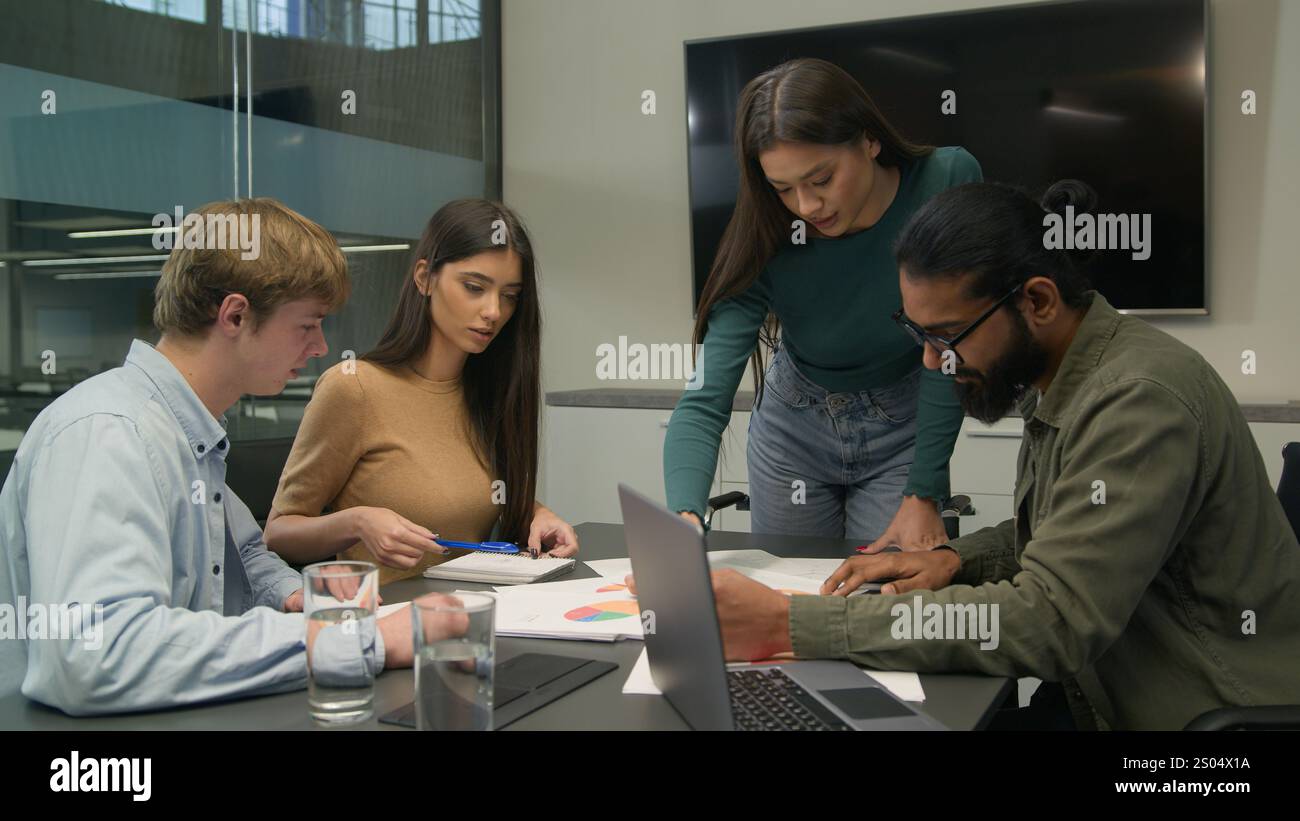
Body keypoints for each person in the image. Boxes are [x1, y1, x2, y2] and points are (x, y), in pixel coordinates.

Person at [645, 181, 1300, 730]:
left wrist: (793, 622)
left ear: (1037, 300)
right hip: (1098, 698)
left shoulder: (1138, 401)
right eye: (917, 334)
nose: (933, 361)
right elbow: (1060, 539)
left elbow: (1052, 619)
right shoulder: (1072, 374)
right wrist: (953, 559)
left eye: (944, 336)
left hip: (1205, 737)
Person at [0, 198, 424, 715]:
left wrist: (297, 594)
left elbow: (243, 556)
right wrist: (357, 642)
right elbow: (99, 653)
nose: (319, 347)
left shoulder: (187, 430)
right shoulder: (109, 433)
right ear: (236, 315)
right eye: (308, 324)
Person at [664, 57, 980, 549]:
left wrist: (924, 489)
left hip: (904, 428)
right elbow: (706, 396)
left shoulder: (946, 180)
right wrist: (684, 515)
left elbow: (949, 348)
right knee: (790, 597)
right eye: (782, 188)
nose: (806, 207)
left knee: (876, 606)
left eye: (821, 179)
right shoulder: (765, 227)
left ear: (869, 140)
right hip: (793, 431)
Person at [264, 199, 578, 584]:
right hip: (384, 625)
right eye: (474, 287)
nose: (494, 311)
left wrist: (533, 512)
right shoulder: (354, 387)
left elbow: (473, 495)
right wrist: (357, 522)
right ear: (424, 278)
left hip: (473, 618)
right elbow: (278, 535)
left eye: (509, 295)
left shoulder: (491, 392)